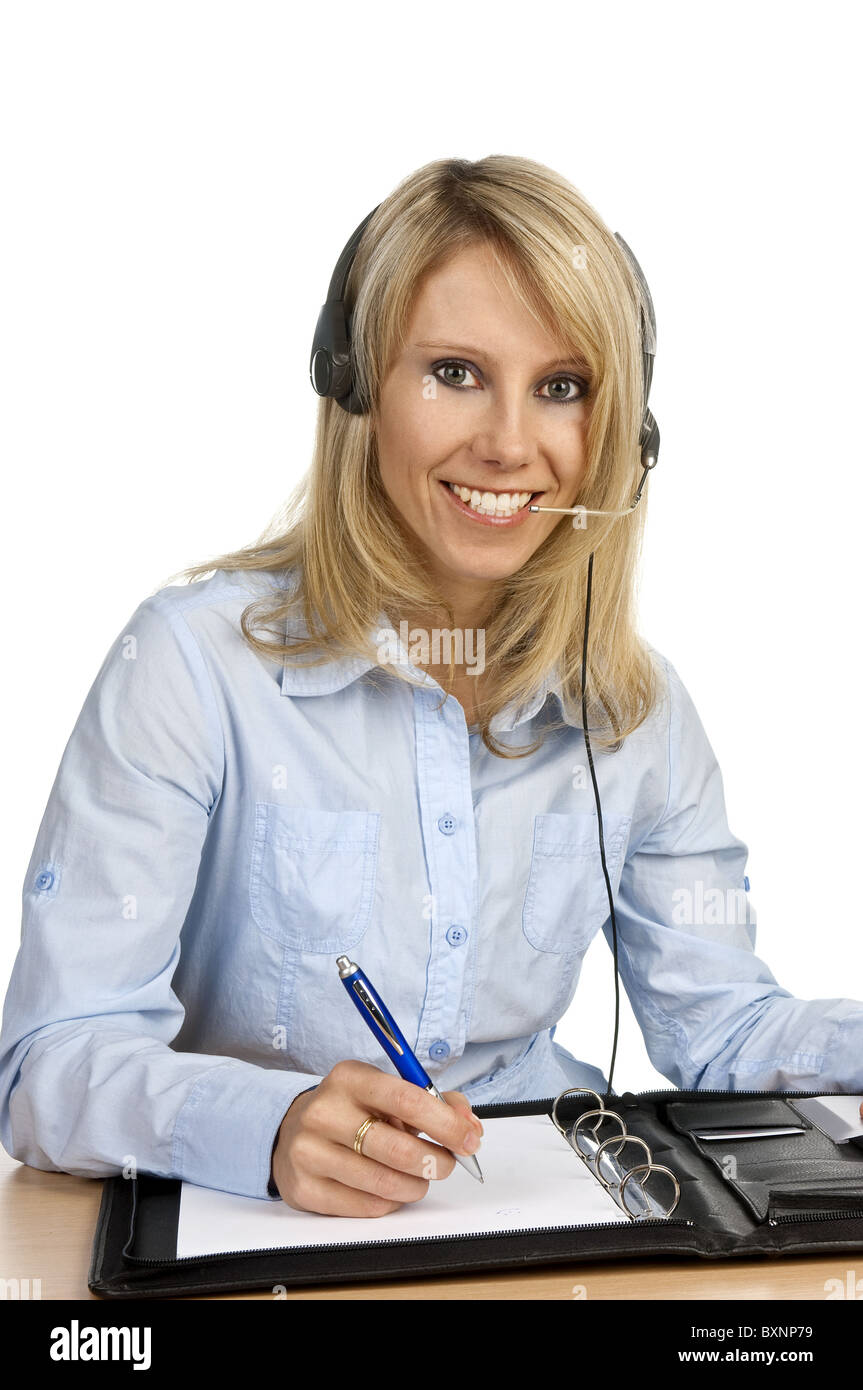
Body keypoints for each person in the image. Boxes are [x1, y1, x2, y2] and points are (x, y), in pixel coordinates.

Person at [1, 155, 861, 1221]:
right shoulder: (190, 665)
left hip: (556, 1213)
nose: (507, 444)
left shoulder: (637, 709)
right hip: (268, 1227)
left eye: (562, 387)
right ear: (356, 389)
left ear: (624, 434)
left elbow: (722, 1029)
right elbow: (52, 1058)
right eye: (454, 371)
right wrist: (264, 1126)